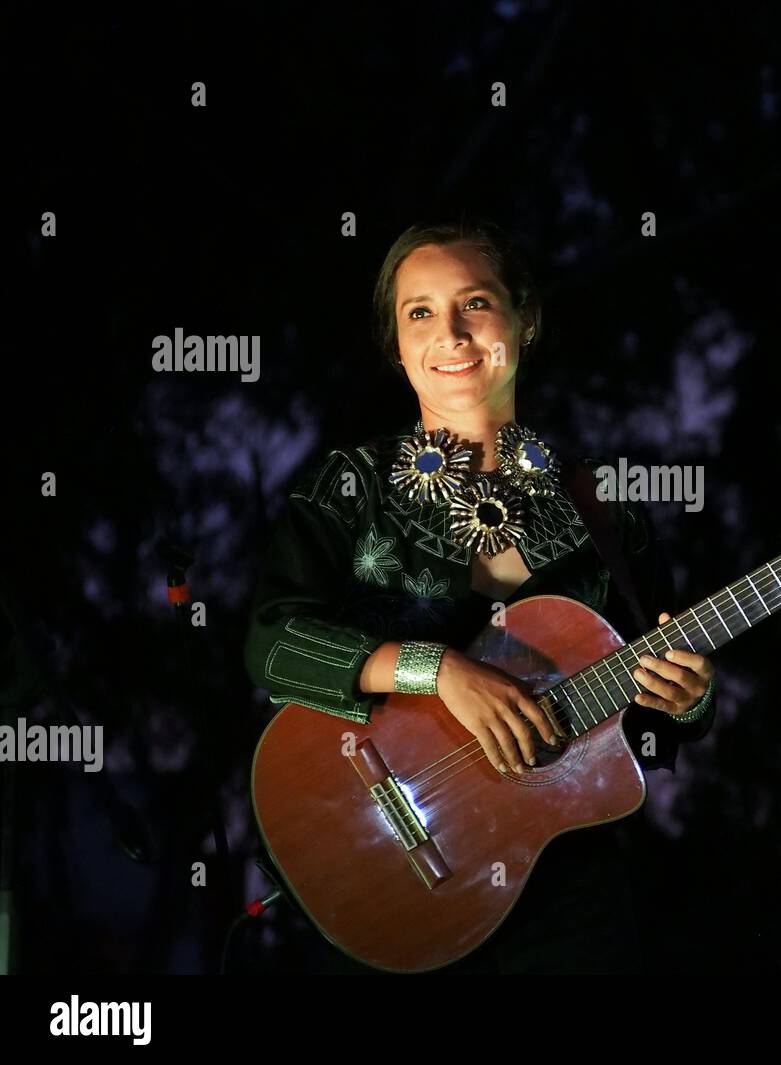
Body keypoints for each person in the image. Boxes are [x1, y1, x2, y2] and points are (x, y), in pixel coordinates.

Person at [242, 216, 717, 973]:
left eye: (475, 303)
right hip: (382, 882)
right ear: (395, 345)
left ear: (525, 318)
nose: (450, 333)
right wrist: (437, 669)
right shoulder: (350, 485)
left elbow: (652, 734)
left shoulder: (607, 508)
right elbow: (272, 643)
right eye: (420, 312)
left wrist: (686, 699)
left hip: (564, 900)